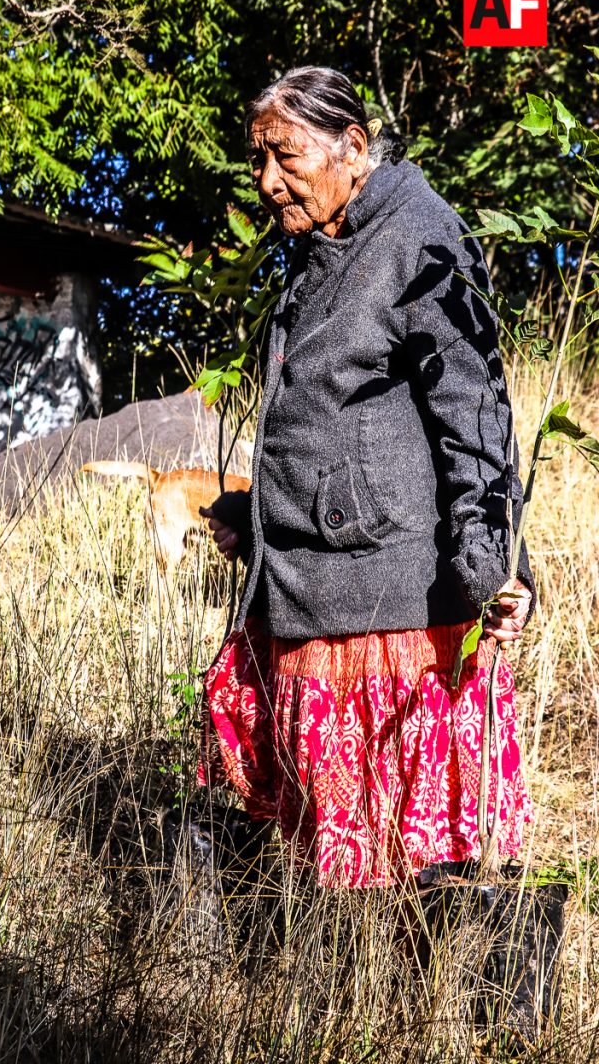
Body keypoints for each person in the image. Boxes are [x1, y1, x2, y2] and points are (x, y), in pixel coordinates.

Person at [198, 66, 534, 888]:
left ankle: (440, 999)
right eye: (257, 159)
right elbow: (334, 419)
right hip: (308, 578)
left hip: (390, 596)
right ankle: (322, 974)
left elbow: (475, 414)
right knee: (311, 833)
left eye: (285, 155)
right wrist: (260, 514)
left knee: (419, 857)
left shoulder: (421, 238)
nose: (267, 180)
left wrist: (497, 570)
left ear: (353, 146)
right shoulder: (319, 247)